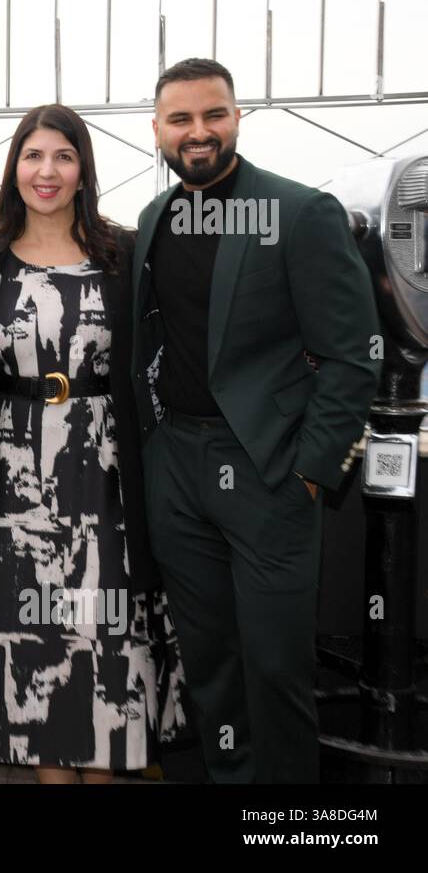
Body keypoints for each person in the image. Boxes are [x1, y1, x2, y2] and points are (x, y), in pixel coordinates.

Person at [135, 58, 380, 782]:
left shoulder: (300, 212)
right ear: (157, 131)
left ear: (237, 118)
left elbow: (353, 356)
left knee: (276, 669)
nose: (198, 131)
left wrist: (311, 469)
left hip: (267, 469)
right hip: (177, 465)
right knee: (210, 664)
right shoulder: (155, 219)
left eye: (214, 114)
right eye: (180, 119)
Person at [0, 104, 187, 783]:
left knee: (107, 639)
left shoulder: (123, 256)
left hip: (109, 473)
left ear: (84, 168)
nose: (48, 170)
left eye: (63, 155)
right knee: (37, 647)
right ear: (14, 168)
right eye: (33, 155)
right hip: (14, 477)